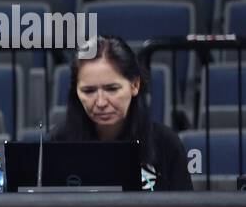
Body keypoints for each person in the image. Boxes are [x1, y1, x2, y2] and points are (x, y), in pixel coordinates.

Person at [50, 36, 192, 191]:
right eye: (89, 91)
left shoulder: (166, 144)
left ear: (135, 85)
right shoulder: (59, 141)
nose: (101, 102)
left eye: (112, 89)